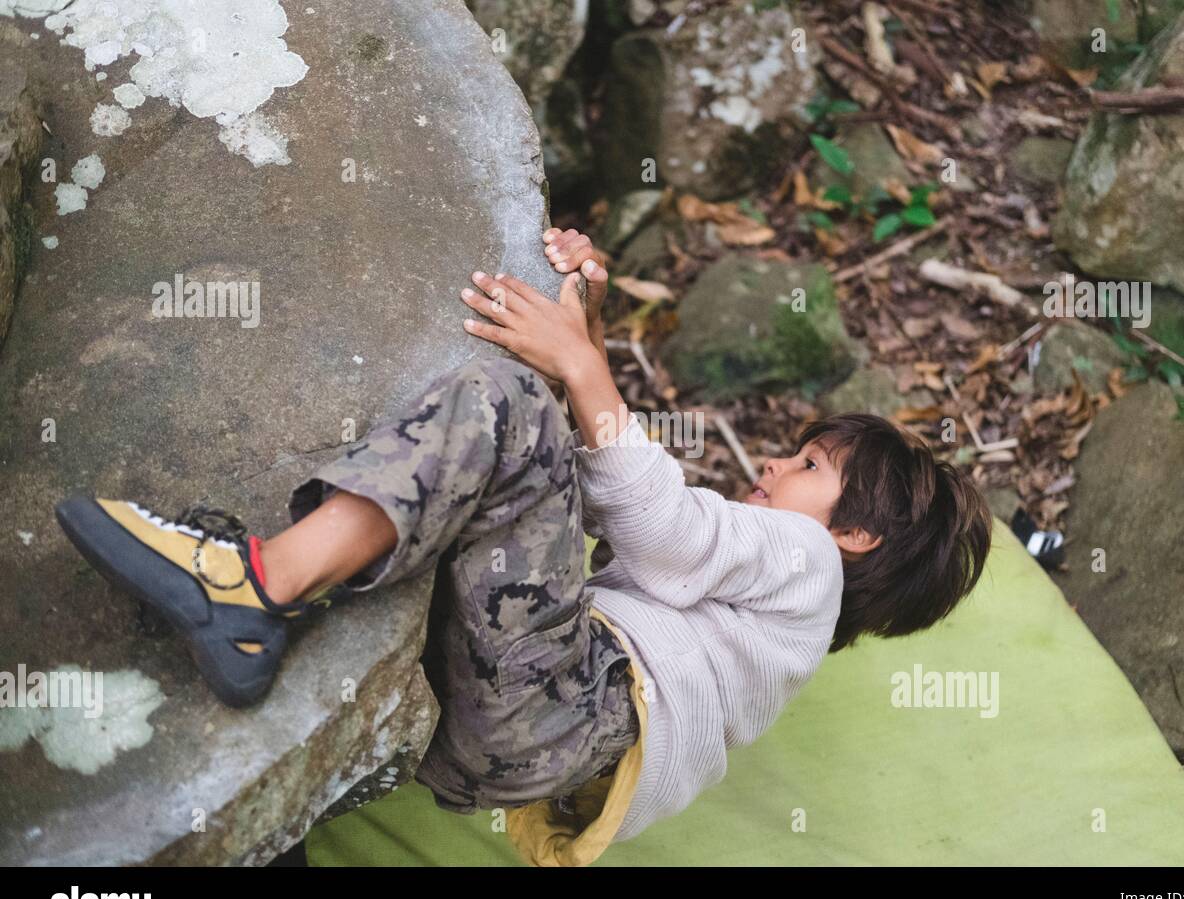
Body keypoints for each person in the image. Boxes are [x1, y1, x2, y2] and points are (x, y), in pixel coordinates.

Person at [54, 227, 992, 865]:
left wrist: (579, 365)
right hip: (512, 748)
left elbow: (658, 527)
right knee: (504, 449)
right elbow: (574, 498)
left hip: (561, 706)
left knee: (503, 403)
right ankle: (265, 704)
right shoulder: (769, 618)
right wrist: (583, 324)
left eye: (810, 463)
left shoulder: (809, 561)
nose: (777, 466)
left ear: (858, 534)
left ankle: (253, 591)